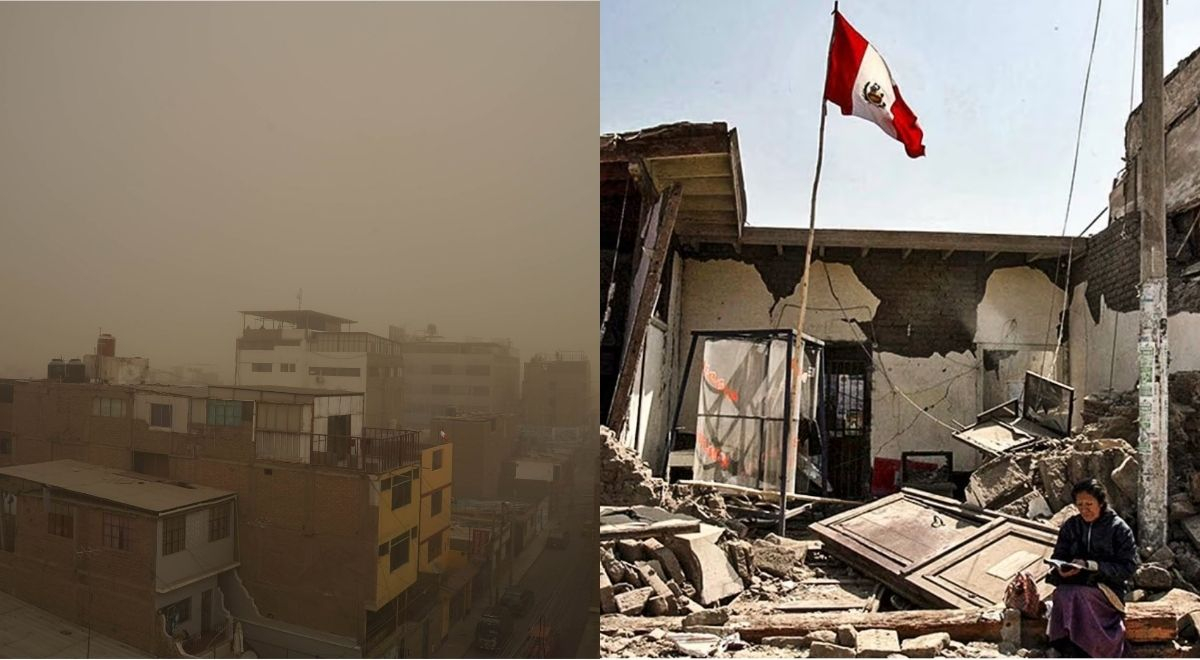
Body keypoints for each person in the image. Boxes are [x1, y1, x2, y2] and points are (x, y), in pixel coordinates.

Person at [1045, 478, 1139, 658]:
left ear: (1101, 503)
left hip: (1108, 587)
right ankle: (1066, 644)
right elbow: (1059, 555)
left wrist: (1092, 566)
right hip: (1075, 581)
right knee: (1062, 593)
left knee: (1079, 595)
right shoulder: (1071, 526)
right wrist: (1061, 569)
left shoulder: (1119, 528)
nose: (1084, 509)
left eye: (1089, 504)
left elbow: (1128, 567)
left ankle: (1092, 649)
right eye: (1080, 505)